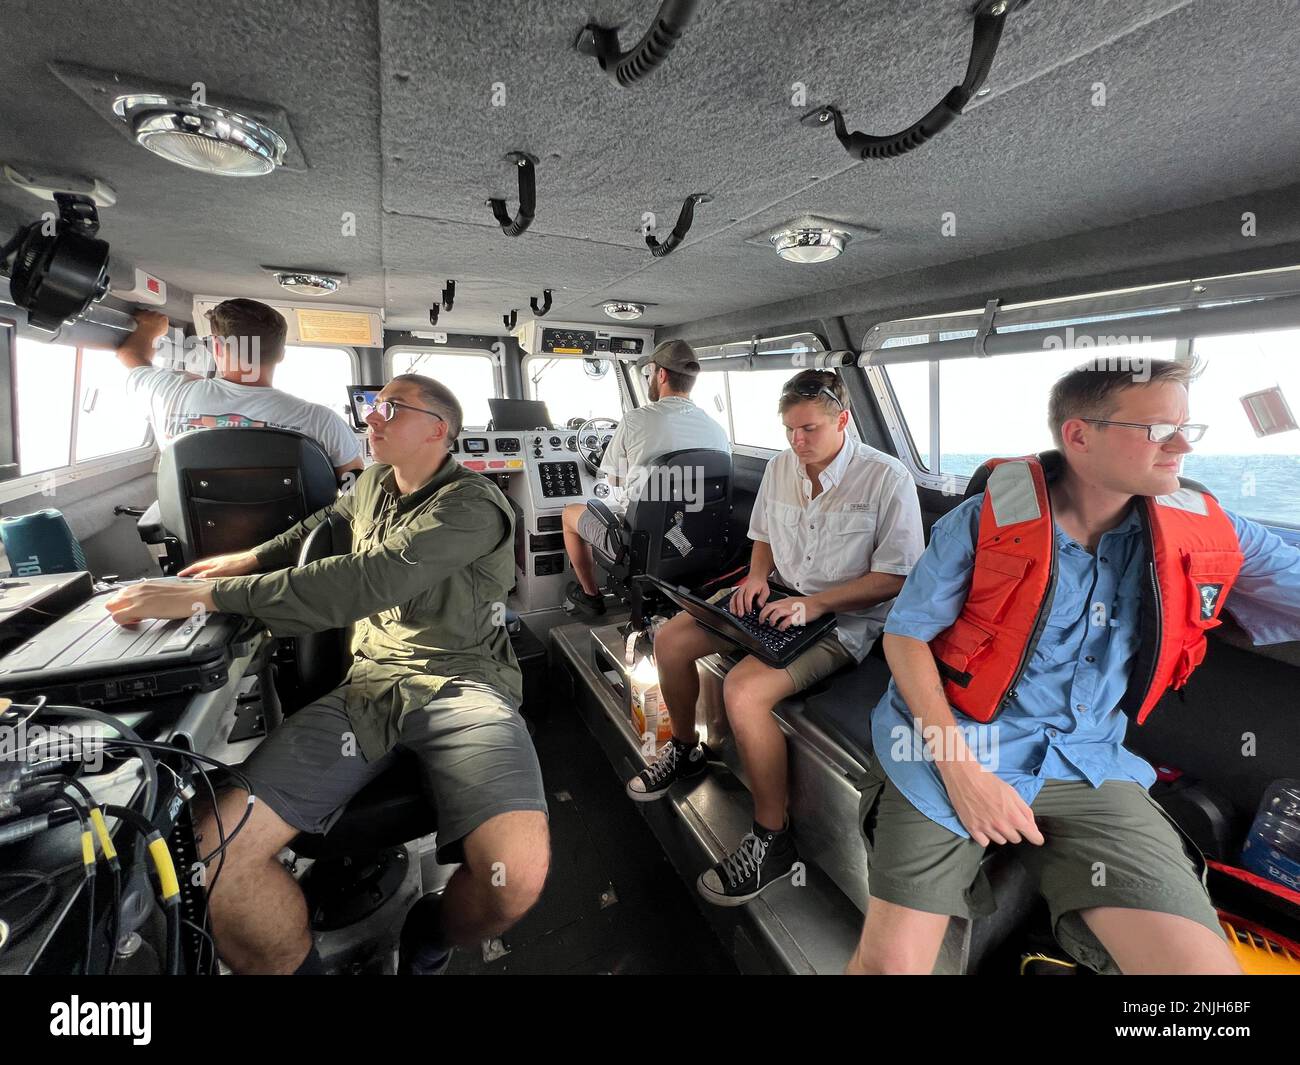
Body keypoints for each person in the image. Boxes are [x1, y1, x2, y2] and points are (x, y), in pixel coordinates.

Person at [847, 358, 1300, 975]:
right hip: (949, 747)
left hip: (1087, 758)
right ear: (1080, 435)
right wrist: (963, 774)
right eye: (1157, 429)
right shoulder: (982, 523)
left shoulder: (1205, 528)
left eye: (1189, 427)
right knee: (889, 968)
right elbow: (905, 638)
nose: (1182, 445)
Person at [105, 374, 549, 975]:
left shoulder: (471, 505)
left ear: (436, 429)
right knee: (215, 857)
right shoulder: (372, 483)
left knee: (511, 877)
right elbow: (321, 525)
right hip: (369, 686)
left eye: (389, 409)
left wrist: (208, 595)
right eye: (372, 407)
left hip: (462, 686)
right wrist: (249, 558)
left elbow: (369, 579)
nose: (371, 419)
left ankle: (430, 933)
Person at [631, 369, 925, 906]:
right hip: (776, 595)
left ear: (843, 419)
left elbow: (896, 577)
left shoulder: (887, 479)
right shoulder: (780, 467)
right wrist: (756, 578)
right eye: (789, 430)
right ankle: (685, 748)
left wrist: (814, 603)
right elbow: (763, 536)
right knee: (672, 639)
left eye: (809, 429)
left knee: (745, 691)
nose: (797, 442)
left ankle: (772, 838)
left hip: (842, 619)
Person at [561, 339, 730, 617]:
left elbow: (613, 482)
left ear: (661, 374)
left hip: (639, 545)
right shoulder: (717, 430)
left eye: (649, 372)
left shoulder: (635, 420)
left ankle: (591, 597)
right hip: (691, 542)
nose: (650, 378)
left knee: (569, 513)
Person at [116, 300, 363, 482]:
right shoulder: (321, 421)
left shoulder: (168, 393)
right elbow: (357, 491)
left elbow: (131, 355)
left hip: (197, 547)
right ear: (281, 353)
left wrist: (151, 328)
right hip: (297, 547)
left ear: (217, 347)